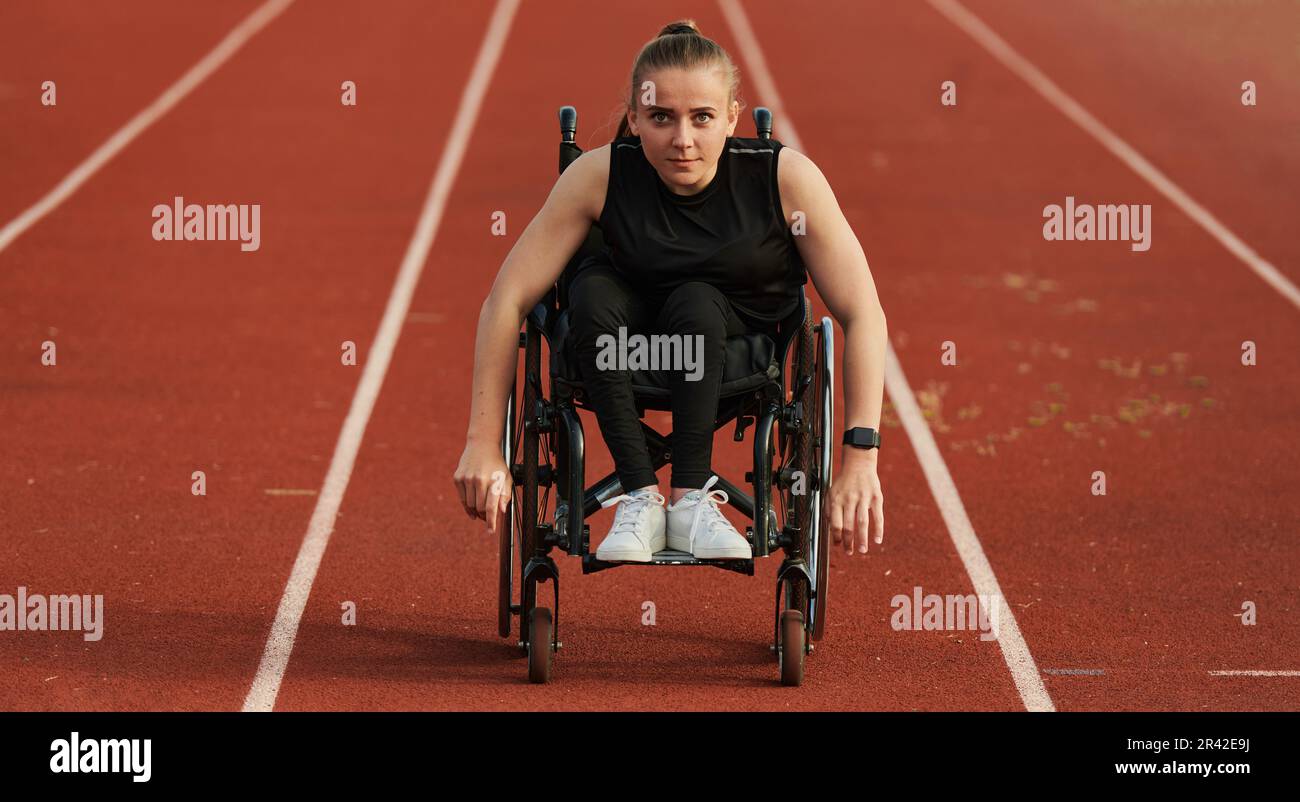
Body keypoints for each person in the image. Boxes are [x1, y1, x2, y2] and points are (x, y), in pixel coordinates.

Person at [454, 19, 887, 564]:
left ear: (731, 117)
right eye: (661, 117)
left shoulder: (785, 180)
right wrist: (483, 443)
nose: (682, 140)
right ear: (634, 118)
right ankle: (639, 495)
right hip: (620, 347)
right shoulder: (600, 176)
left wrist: (861, 457)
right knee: (589, 295)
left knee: (698, 301)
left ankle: (689, 500)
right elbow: (506, 300)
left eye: (702, 117)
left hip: (738, 352)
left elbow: (862, 312)